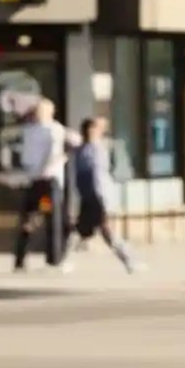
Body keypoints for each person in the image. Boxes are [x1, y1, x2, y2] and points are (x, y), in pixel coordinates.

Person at [66, 117, 138, 273]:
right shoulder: (82, 149)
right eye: (88, 131)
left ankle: (129, 259)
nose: (90, 133)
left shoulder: (98, 150)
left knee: (103, 231)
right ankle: (64, 260)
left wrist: (104, 202)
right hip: (88, 196)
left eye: (94, 130)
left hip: (97, 196)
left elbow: (99, 176)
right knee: (82, 231)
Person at [13, 98, 74, 272]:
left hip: (33, 182)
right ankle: (54, 259)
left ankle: (20, 258)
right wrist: (60, 159)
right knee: (52, 218)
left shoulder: (28, 131)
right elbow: (53, 153)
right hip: (49, 182)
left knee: (30, 217)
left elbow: (24, 156)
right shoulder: (54, 129)